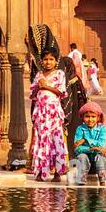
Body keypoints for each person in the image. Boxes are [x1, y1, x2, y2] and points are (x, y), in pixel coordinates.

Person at [30, 47, 70, 181]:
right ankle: (41, 171)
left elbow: (61, 91)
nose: (48, 62)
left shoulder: (59, 73)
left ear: (56, 61)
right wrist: (37, 87)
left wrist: (45, 86)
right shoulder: (39, 75)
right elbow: (33, 94)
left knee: (56, 139)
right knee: (42, 140)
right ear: (42, 61)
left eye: (51, 59)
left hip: (53, 111)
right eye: (45, 59)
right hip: (41, 112)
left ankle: (58, 172)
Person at [73, 101, 106, 185]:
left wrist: (85, 140)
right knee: (82, 156)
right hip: (83, 164)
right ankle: (82, 179)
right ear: (82, 117)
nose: (90, 120)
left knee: (100, 156)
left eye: (93, 117)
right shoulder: (80, 129)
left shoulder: (102, 129)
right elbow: (77, 148)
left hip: (97, 165)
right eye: (87, 116)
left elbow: (101, 145)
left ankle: (102, 180)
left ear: (98, 118)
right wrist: (92, 148)